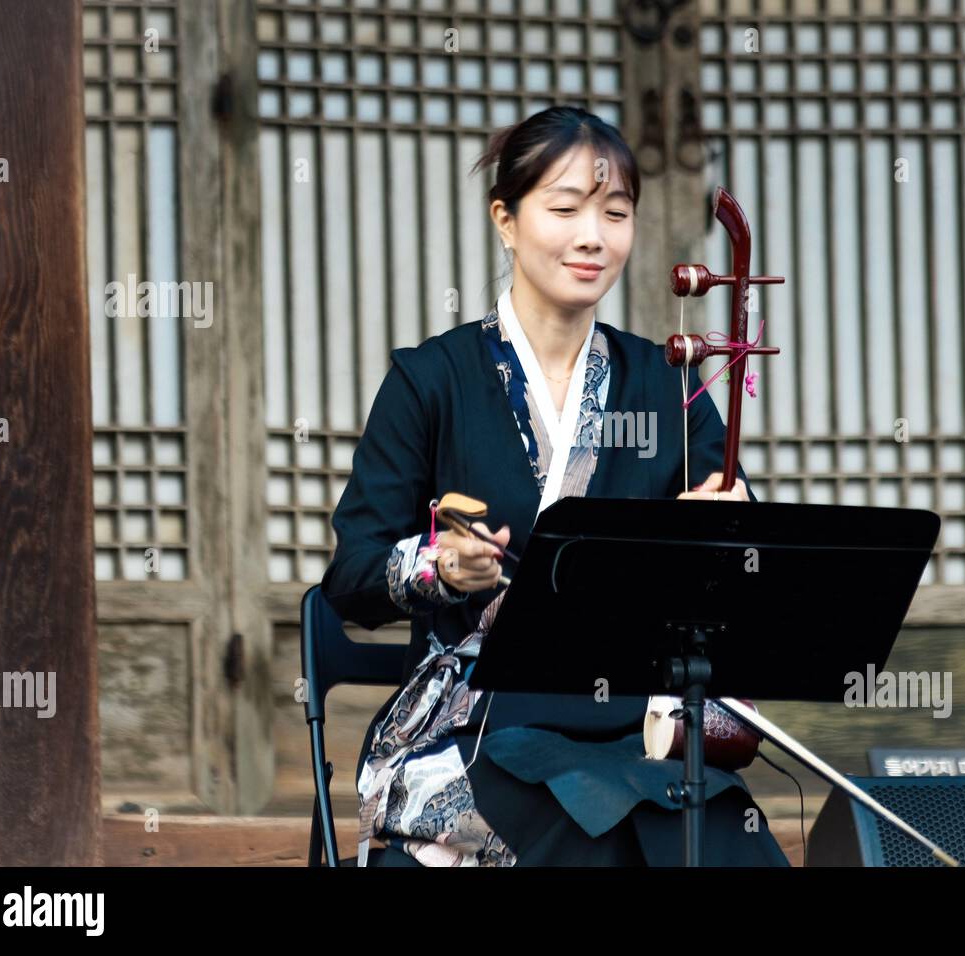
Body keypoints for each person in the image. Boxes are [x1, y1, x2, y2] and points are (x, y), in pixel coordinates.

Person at [321, 105, 789, 867]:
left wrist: (729, 527)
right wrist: (438, 567)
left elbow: (746, 558)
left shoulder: (665, 383)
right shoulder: (431, 380)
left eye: (615, 212)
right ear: (505, 220)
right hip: (472, 726)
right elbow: (350, 577)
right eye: (564, 208)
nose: (591, 237)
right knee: (591, 829)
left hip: (633, 725)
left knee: (729, 841)